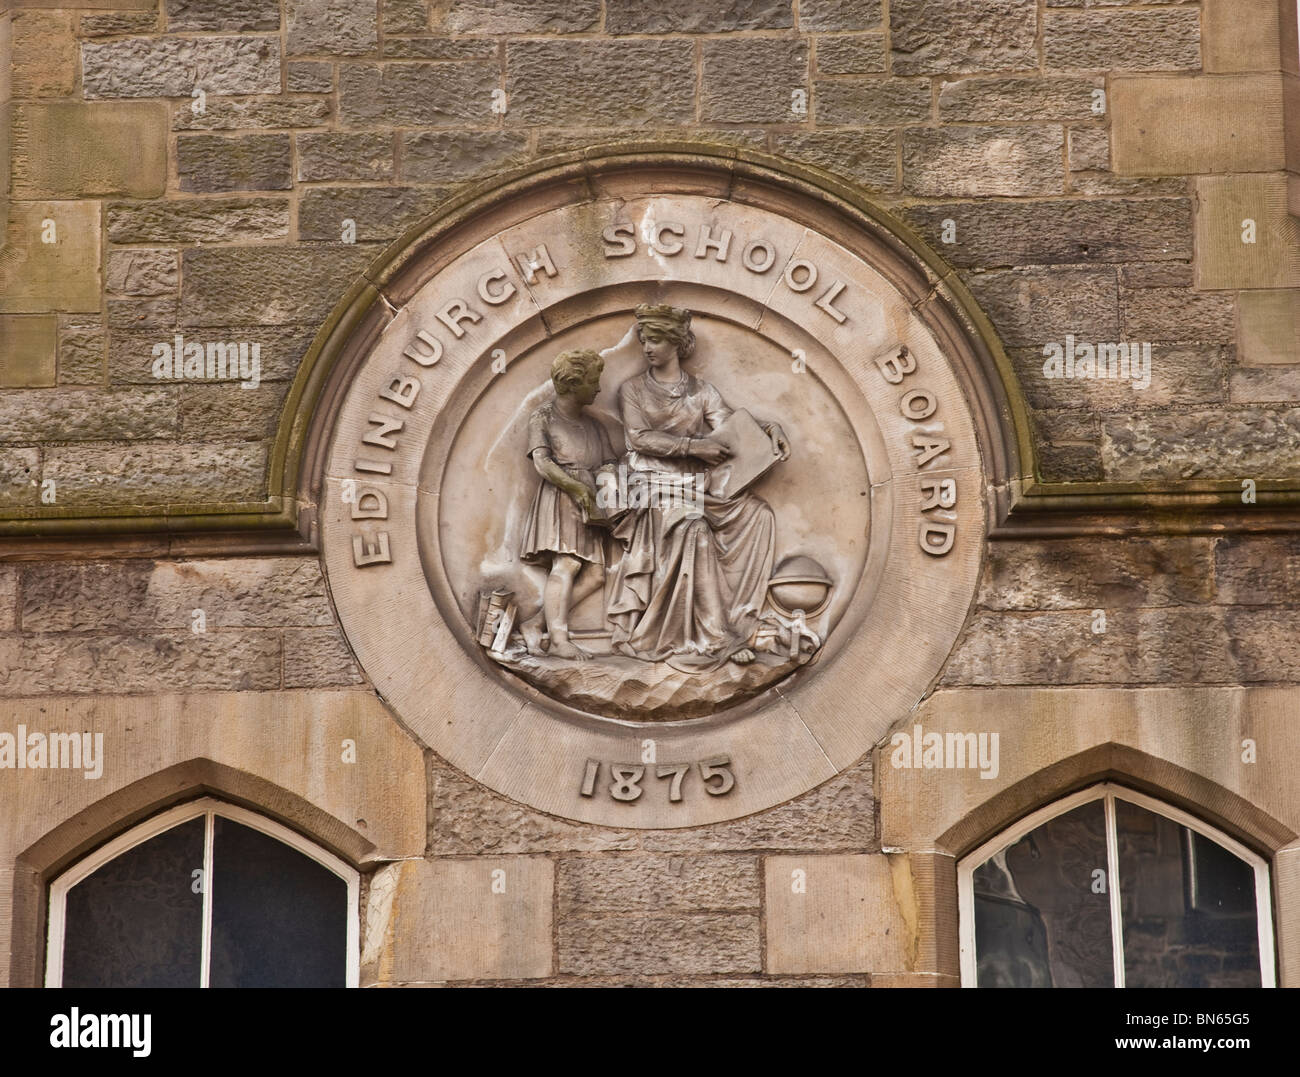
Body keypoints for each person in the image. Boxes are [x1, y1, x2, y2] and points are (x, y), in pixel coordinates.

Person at [607, 304, 790, 671]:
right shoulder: (633, 390)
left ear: (676, 343)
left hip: (696, 484)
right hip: (650, 484)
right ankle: (715, 635)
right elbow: (639, 438)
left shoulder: (702, 392)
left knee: (760, 514)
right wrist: (693, 447)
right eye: (644, 339)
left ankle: (742, 618)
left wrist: (768, 429)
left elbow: (729, 427)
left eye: (655, 339)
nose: (647, 347)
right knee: (694, 528)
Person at [520, 349, 616, 661]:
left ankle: (535, 623)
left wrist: (611, 480)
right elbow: (542, 462)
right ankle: (560, 639)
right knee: (567, 564)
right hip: (562, 496)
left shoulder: (594, 426)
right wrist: (577, 488)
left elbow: (608, 463)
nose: (599, 389)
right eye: (593, 381)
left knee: (597, 575)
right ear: (573, 383)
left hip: (591, 502)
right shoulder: (544, 417)